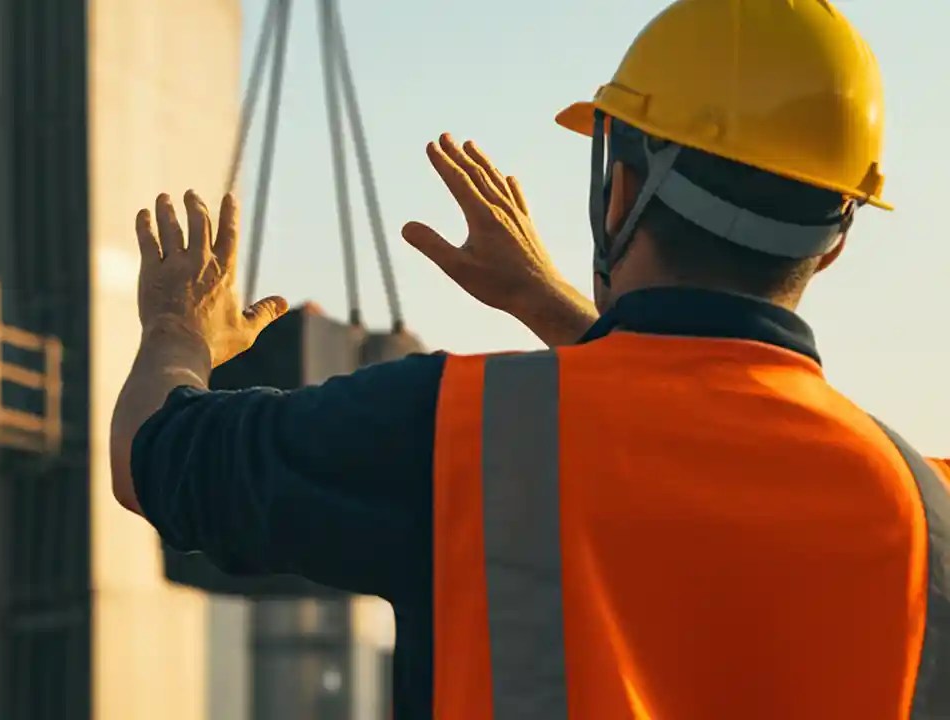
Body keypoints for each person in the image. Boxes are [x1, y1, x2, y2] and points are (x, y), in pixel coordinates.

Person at [110, 0, 950, 717]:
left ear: (620, 190)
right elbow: (694, 422)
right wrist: (552, 309)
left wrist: (177, 334)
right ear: (835, 242)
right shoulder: (927, 510)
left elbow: (155, 457)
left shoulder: (460, 434)